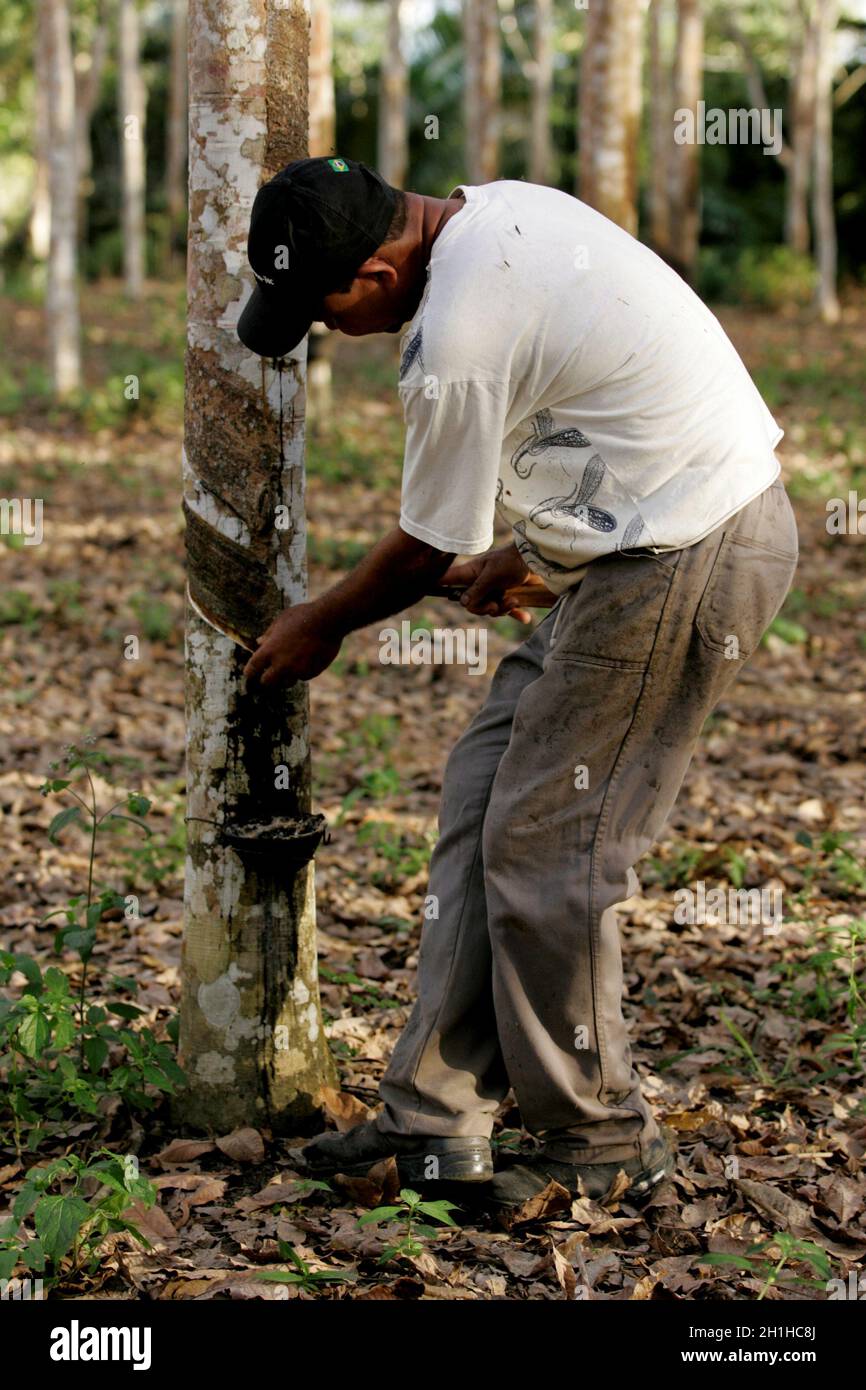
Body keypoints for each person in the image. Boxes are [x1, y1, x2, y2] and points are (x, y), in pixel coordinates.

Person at [238, 157, 798, 1204]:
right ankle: (431, 1118)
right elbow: (604, 398)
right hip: (632, 542)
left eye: (316, 312)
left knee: (550, 839)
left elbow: (417, 548)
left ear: (369, 277)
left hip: (687, 553)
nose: (325, 334)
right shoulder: (499, 210)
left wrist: (322, 621)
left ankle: (595, 1133)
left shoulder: (450, 336)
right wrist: (533, 544)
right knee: (482, 796)